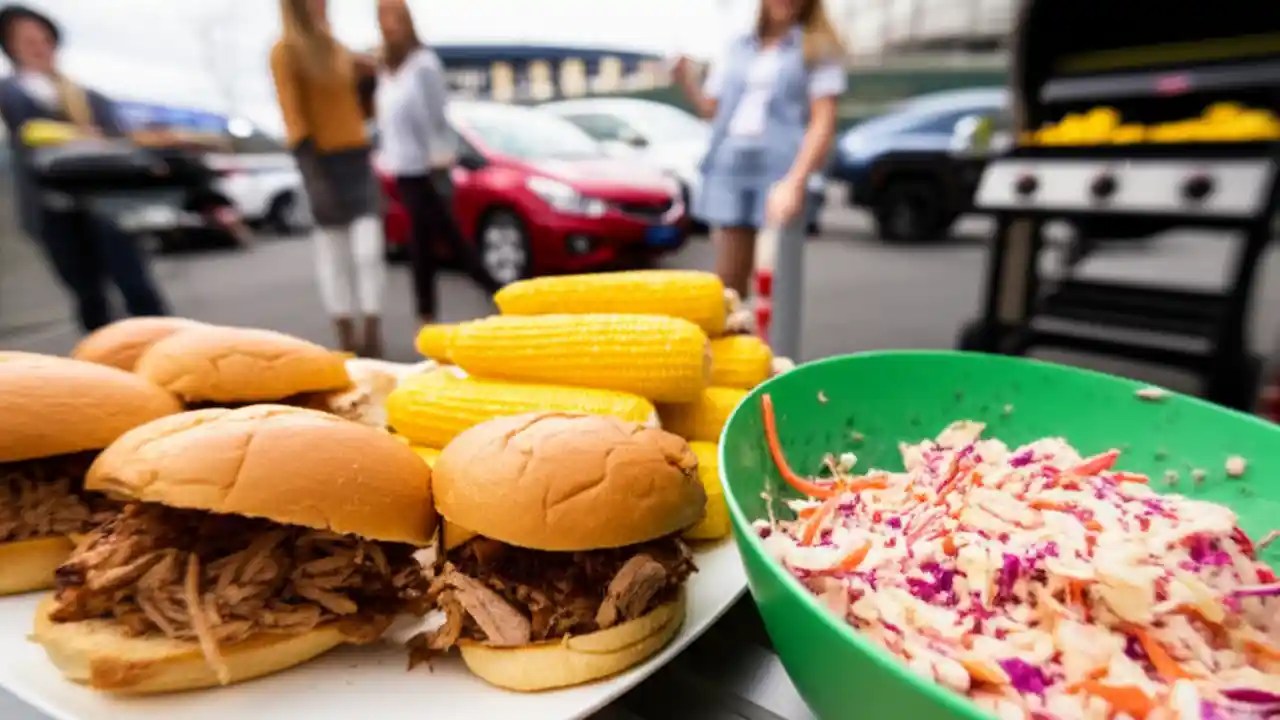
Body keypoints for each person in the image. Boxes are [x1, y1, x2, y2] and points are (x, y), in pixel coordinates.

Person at [0, 4, 168, 332]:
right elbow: (25, 128)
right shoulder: (10, 92)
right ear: (11, 48)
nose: (39, 48)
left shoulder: (88, 96)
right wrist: (78, 134)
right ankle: (102, 359)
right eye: (27, 41)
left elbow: (119, 137)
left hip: (106, 202)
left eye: (44, 39)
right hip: (51, 208)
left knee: (136, 284)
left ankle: (168, 346)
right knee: (88, 295)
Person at [674, 0, 846, 298]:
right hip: (731, 163)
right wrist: (686, 81)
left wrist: (796, 181)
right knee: (728, 282)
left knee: (772, 279)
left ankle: (768, 329)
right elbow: (713, 110)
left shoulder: (817, 47)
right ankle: (738, 329)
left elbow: (823, 122)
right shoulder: (738, 47)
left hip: (780, 168)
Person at [374, 0, 499, 328]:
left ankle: (487, 297)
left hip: (429, 169)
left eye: (394, 16)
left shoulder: (423, 64)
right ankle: (432, 313)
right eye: (383, 17)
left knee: (437, 240)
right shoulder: (387, 69)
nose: (389, 24)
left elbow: (437, 116)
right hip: (403, 169)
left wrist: (439, 159)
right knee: (427, 241)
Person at [270, 0, 385, 356]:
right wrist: (314, 176)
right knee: (333, 253)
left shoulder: (339, 50)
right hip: (320, 161)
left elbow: (359, 110)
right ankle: (345, 332)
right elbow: (293, 116)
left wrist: (370, 83)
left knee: (368, 249)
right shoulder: (286, 52)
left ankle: (372, 327)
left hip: (356, 157)